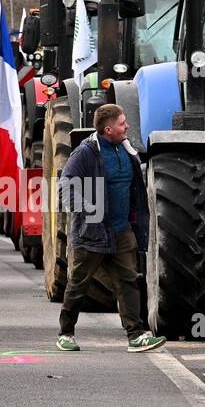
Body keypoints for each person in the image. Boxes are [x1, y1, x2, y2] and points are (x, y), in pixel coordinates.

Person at [55, 104, 167, 353]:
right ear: (108, 129)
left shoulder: (127, 151)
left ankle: (135, 335)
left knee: (128, 281)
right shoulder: (85, 153)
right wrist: (88, 209)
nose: (127, 126)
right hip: (92, 232)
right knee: (79, 283)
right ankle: (66, 332)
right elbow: (65, 188)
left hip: (121, 230)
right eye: (122, 123)